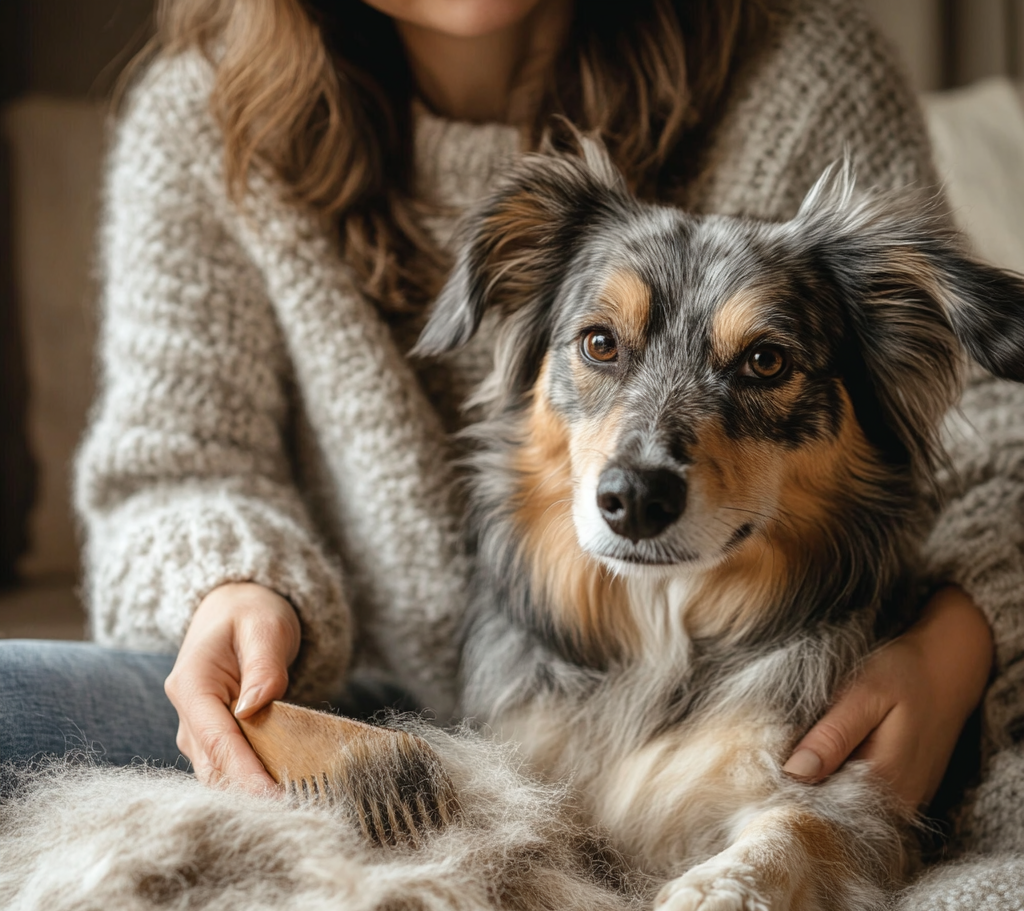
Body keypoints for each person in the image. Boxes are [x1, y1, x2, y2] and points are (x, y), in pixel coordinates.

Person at [0, 0, 1010, 812]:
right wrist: (232, 585)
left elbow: (980, 424)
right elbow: (175, 467)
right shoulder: (200, 117)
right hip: (341, 696)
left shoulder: (801, 65)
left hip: (741, 693)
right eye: (601, 344)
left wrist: (954, 651)